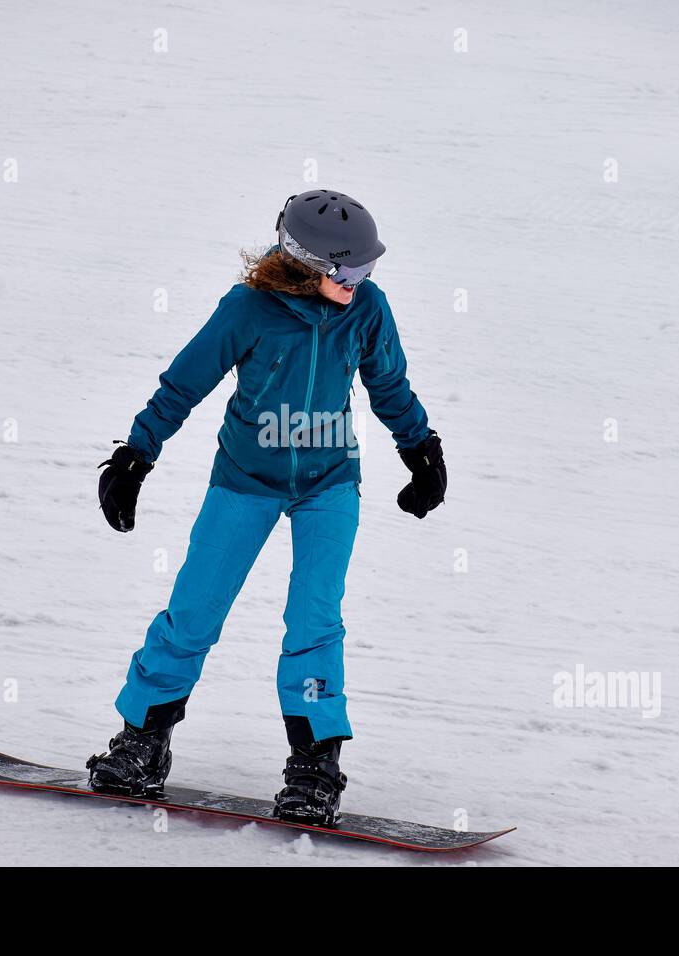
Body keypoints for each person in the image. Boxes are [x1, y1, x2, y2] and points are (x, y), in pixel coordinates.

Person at [87, 189, 447, 825]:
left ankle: (314, 764)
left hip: (329, 482)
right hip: (245, 479)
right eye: (351, 272)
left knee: (314, 620)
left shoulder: (367, 310)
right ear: (308, 265)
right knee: (194, 610)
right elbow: (184, 383)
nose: (363, 283)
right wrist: (135, 456)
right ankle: (142, 738)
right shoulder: (246, 310)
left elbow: (388, 384)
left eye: (370, 270)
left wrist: (420, 447)